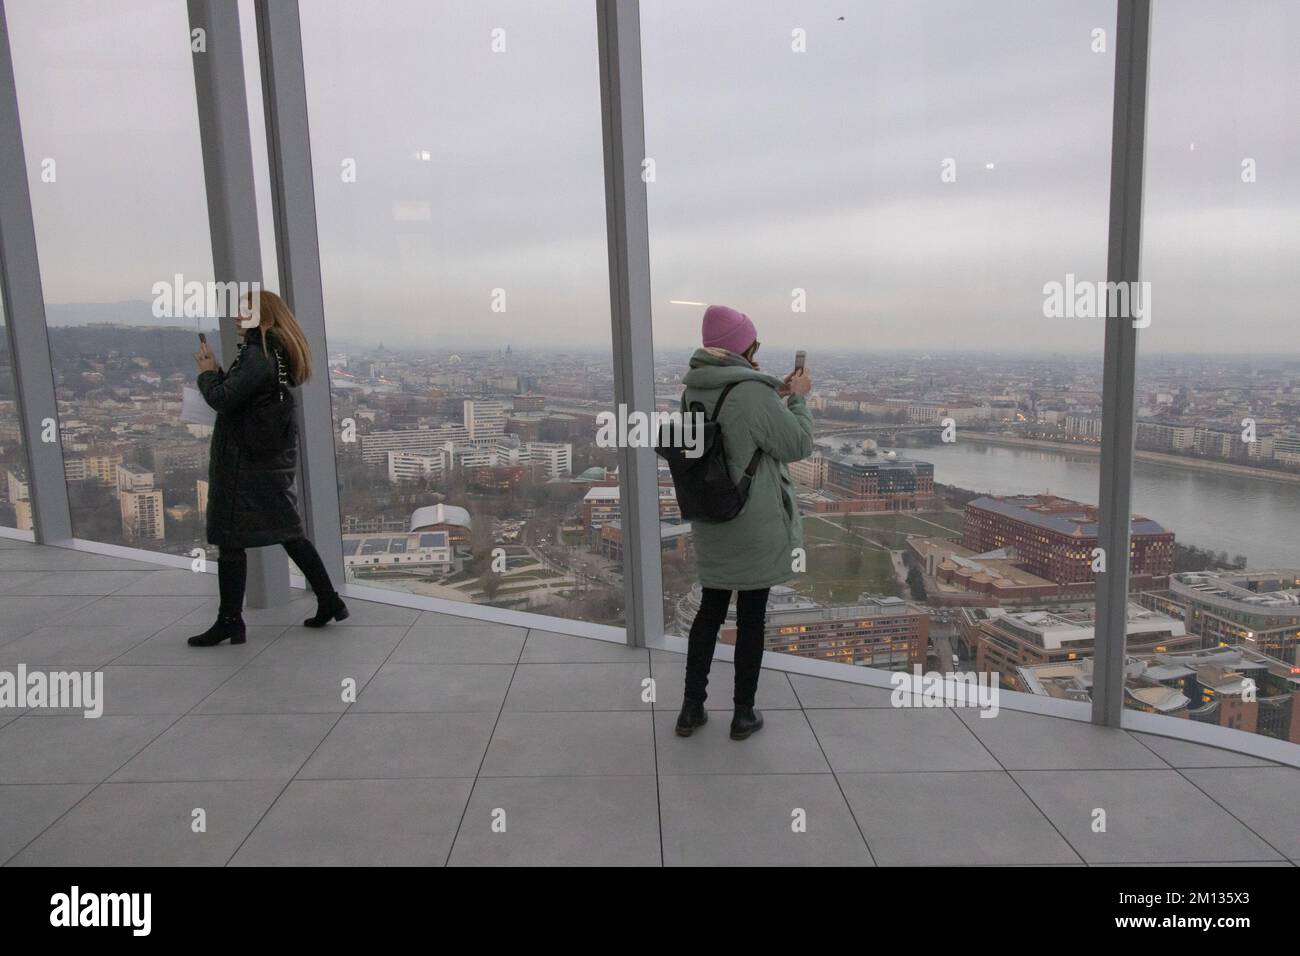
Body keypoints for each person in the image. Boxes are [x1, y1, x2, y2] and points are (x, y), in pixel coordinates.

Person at [675, 304, 813, 740]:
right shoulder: (752, 393)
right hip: (751, 521)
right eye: (754, 344)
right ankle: (742, 714)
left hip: (712, 515)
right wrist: (800, 399)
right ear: (743, 346)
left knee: (710, 613)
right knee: (752, 616)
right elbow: (796, 444)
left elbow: (730, 436)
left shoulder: (693, 391)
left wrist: (775, 395)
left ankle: (691, 708)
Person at [187, 290, 348, 647]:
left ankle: (230, 621)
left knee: (231, 539)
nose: (234, 318)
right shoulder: (274, 354)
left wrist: (205, 374)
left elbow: (223, 399)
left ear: (260, 317)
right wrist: (218, 371)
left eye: (242, 312)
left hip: (245, 463)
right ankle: (329, 600)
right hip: (269, 460)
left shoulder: (258, 356)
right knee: (289, 532)